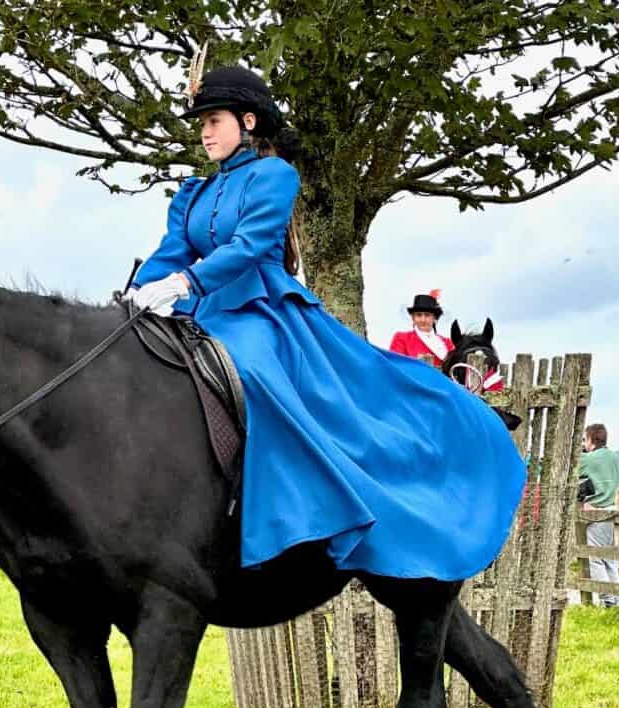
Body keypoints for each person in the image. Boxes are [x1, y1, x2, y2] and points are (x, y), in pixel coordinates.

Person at [131, 65, 525, 582]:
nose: (204, 131)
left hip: (258, 308)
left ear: (247, 121)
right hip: (198, 305)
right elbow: (173, 250)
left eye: (215, 119)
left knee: (250, 371)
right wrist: (142, 290)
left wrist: (186, 284)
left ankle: (289, 505)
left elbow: (249, 247)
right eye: (201, 121)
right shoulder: (193, 192)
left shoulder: (274, 176)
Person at [577, 423, 619, 607]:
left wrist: (583, 452)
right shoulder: (615, 458)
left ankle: (607, 600)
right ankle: (615, 598)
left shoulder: (589, 459)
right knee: (609, 557)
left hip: (595, 508)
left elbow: (574, 466)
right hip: (612, 508)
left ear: (590, 438)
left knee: (594, 557)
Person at [388, 291, 455, 368]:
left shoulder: (447, 342)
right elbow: (396, 365)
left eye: (427, 315)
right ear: (413, 318)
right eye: (419, 315)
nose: (423, 320)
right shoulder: (401, 338)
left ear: (434, 318)